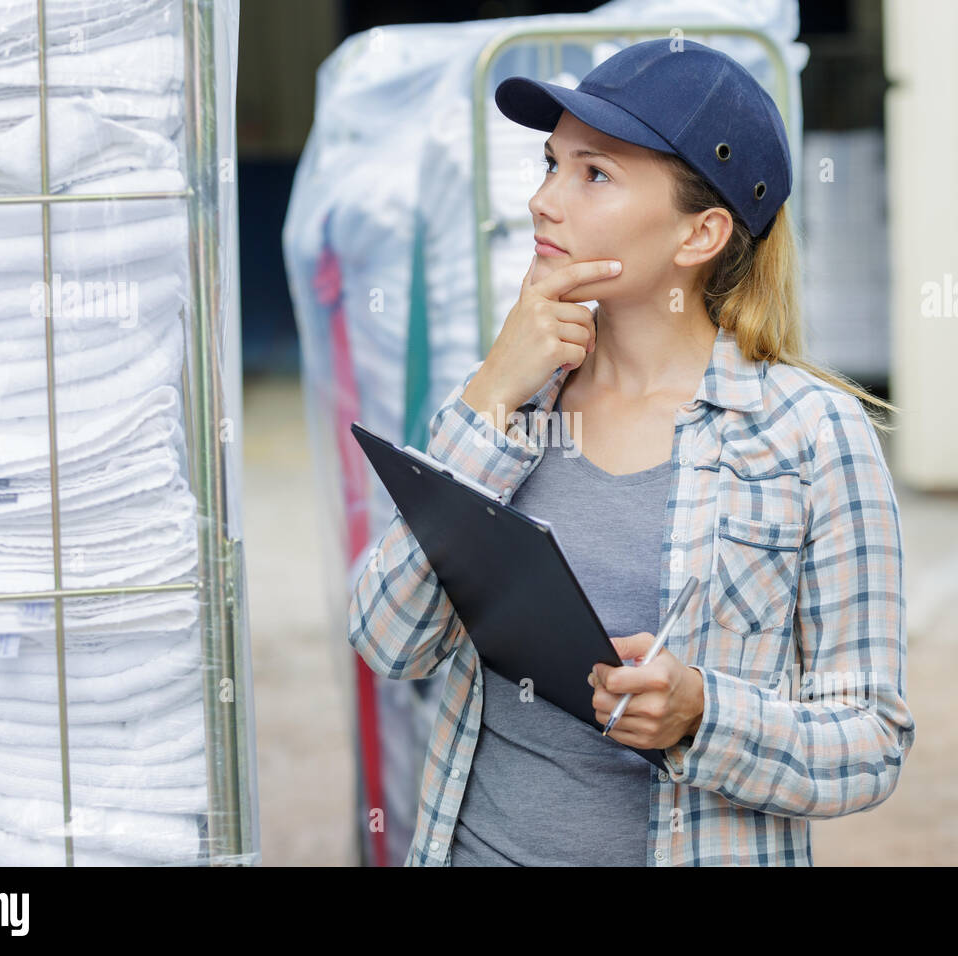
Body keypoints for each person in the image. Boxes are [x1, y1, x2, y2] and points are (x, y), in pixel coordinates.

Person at [347, 38, 915, 866]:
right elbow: (388, 641)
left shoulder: (811, 437)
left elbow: (871, 742)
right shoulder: (512, 396)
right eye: (550, 165)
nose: (545, 201)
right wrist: (489, 400)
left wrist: (702, 716)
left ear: (701, 234)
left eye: (595, 174)